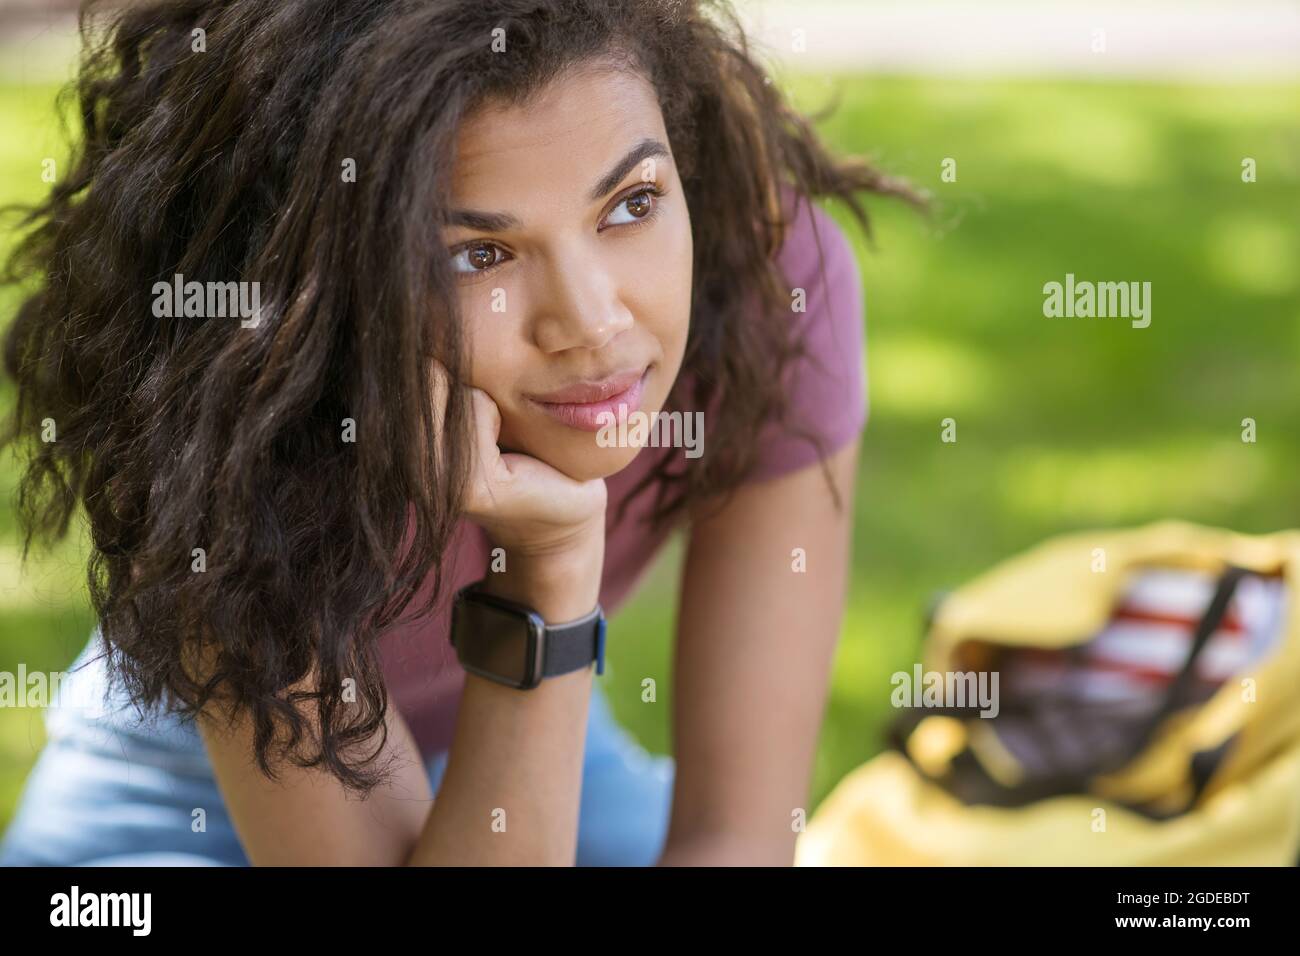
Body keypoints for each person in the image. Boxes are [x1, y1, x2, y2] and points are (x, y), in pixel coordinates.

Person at [0, 0, 914, 866]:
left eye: (631, 204)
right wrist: (547, 571)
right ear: (328, 276)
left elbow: (736, 840)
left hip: (534, 736)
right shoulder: (241, 411)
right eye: (478, 254)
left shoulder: (770, 287)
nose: (592, 323)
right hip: (184, 796)